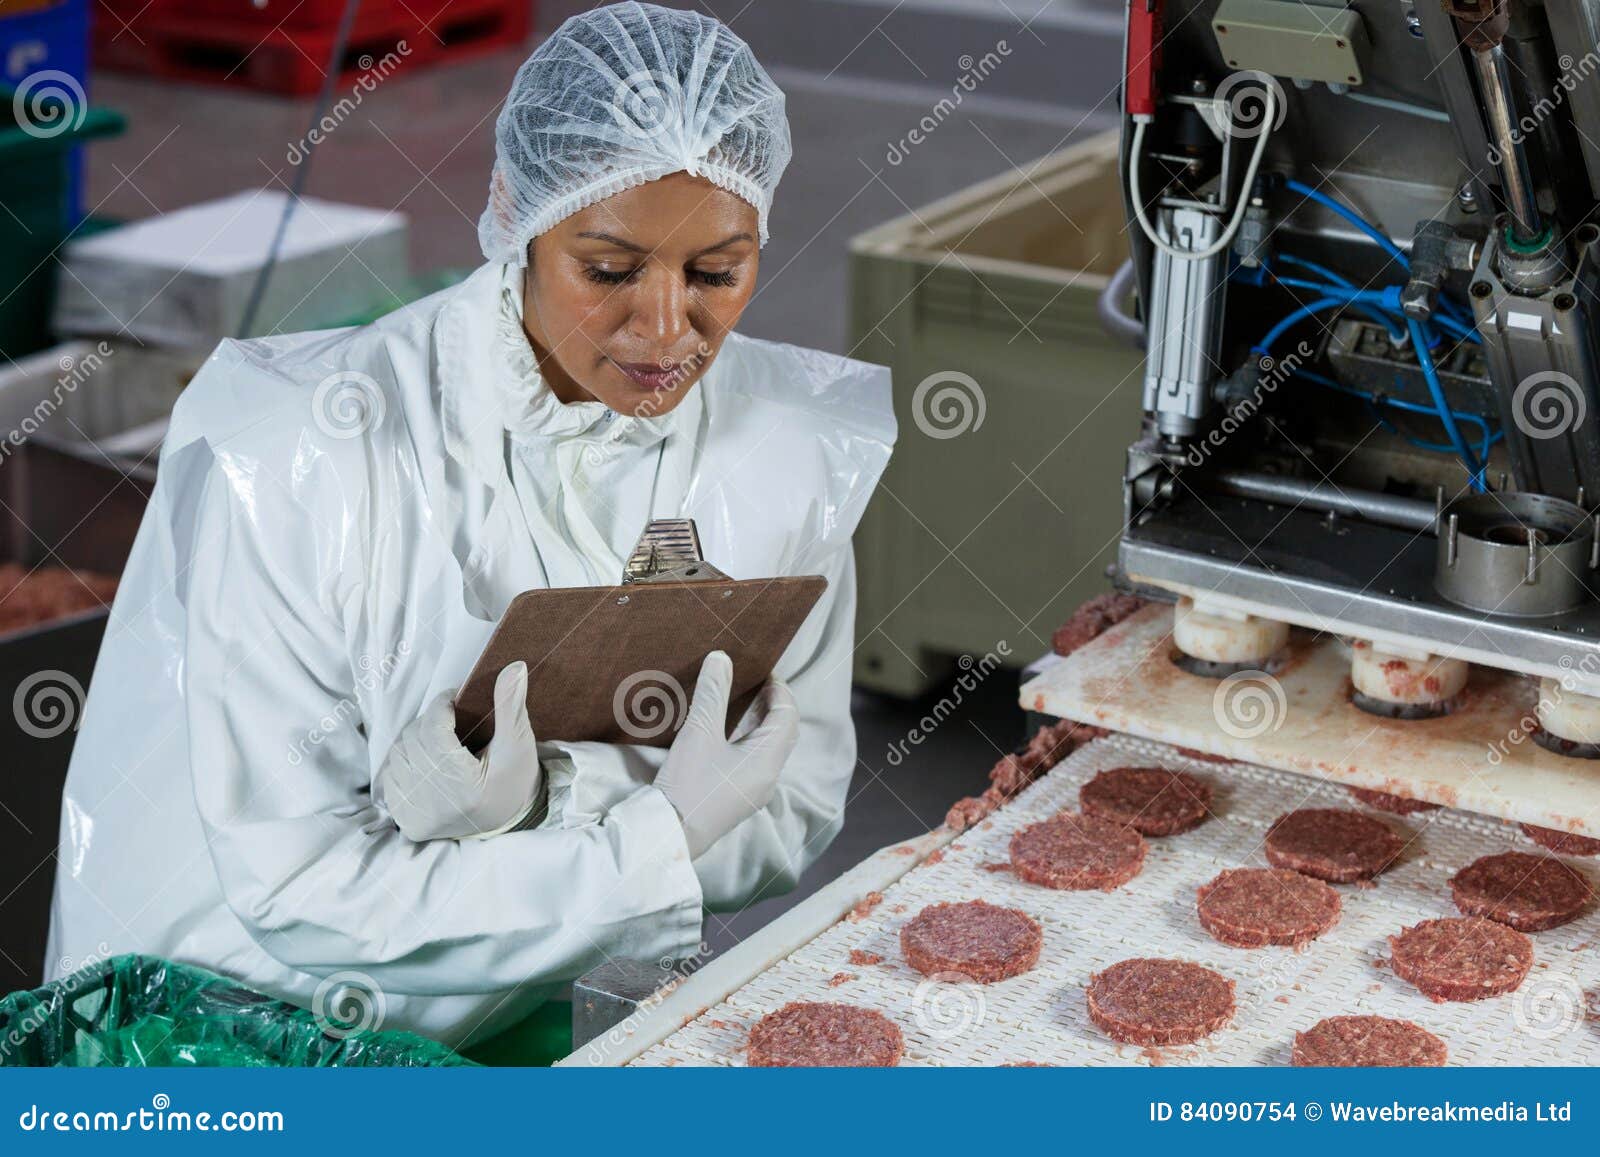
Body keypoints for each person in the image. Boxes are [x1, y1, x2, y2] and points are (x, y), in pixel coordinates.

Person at [46, 1, 895, 1049]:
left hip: (502, 1010)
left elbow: (792, 802)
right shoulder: (309, 457)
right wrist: (647, 831)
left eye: (716, 272)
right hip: (211, 1033)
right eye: (610, 269)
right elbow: (296, 890)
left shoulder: (785, 454)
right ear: (515, 213)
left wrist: (551, 812)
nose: (668, 325)